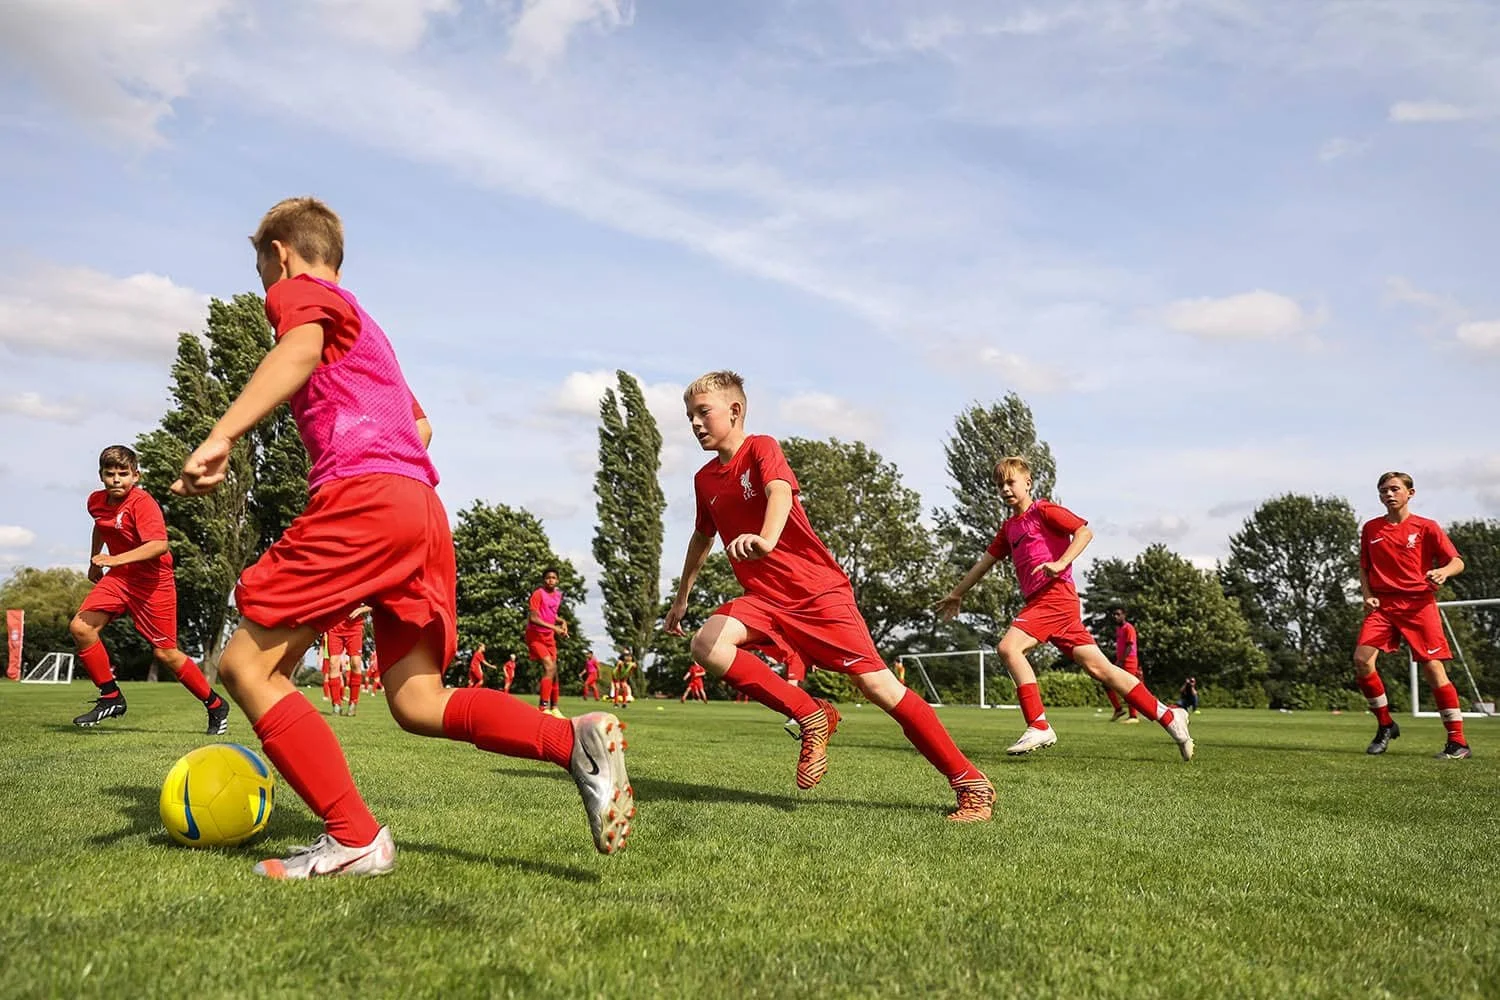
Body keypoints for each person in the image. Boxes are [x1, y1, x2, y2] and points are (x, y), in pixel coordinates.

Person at [169, 197, 633, 878]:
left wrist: (222, 435)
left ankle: (353, 836)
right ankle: (572, 739)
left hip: (367, 500)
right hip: (418, 508)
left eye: (261, 268)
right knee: (417, 701)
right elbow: (421, 429)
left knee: (245, 666)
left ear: (281, 253)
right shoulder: (370, 330)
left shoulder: (303, 295)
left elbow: (298, 350)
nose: (265, 285)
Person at [664, 370, 994, 821]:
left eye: (704, 412)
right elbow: (701, 538)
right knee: (706, 644)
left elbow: (780, 492)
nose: (696, 424)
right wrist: (682, 596)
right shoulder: (705, 480)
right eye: (690, 417)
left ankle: (970, 783)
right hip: (764, 599)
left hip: (818, 594)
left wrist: (765, 538)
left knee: (879, 686)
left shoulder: (762, 447)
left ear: (735, 410)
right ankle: (811, 714)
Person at [938, 456, 1193, 761]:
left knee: (1008, 648)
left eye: (1010, 482)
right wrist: (956, 594)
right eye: (999, 484)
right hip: (1047, 604)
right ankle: (1169, 716)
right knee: (1102, 669)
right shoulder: (1009, 528)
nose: (1005, 488)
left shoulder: (1043, 511)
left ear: (1027, 482)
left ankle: (1039, 724)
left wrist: (1060, 564)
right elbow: (984, 563)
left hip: (1055, 597)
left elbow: (1084, 531)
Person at [69, 445, 231, 734]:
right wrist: (95, 562)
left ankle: (216, 705)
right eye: (110, 474)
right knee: (81, 628)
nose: (116, 479)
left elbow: (159, 545)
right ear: (101, 476)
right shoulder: (96, 501)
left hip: (153, 584)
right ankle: (111, 697)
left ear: (136, 476)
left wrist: (114, 558)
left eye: (123, 474)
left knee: (165, 653)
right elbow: (101, 525)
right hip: (119, 579)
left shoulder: (142, 503)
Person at [1354, 472, 1470, 759]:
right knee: (1361, 660)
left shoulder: (1426, 527)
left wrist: (1443, 572)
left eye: (1395, 489)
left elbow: (1457, 561)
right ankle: (1385, 724)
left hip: (1419, 605)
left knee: (1433, 669)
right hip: (1383, 607)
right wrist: (1367, 595)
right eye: (1383, 491)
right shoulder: (1371, 529)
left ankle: (1458, 743)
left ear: (1410, 493)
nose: (1389, 495)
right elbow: (1364, 568)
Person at [526, 568, 568, 718]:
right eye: (548, 578)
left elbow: (551, 614)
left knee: (554, 672)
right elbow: (534, 618)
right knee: (549, 667)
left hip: (549, 638)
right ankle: (543, 708)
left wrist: (562, 622)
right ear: (544, 580)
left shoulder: (558, 595)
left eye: (554, 578)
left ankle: (555, 708)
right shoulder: (538, 594)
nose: (551, 580)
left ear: (557, 580)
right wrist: (554, 628)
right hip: (535, 637)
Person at [328, 605, 369, 716]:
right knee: (333, 663)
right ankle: (336, 704)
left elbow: (376, 602)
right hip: (334, 627)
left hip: (354, 627)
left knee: (355, 663)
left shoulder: (359, 588)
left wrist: (361, 609)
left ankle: (353, 703)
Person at [1109, 606, 1142, 724]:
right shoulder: (1119, 629)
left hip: (1129, 662)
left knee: (1129, 688)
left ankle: (1133, 716)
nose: (1115, 616)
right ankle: (1118, 709)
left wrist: (1121, 661)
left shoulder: (1129, 628)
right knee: (1106, 683)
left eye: (1118, 614)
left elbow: (1129, 646)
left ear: (1124, 615)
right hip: (1121, 661)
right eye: (1114, 614)